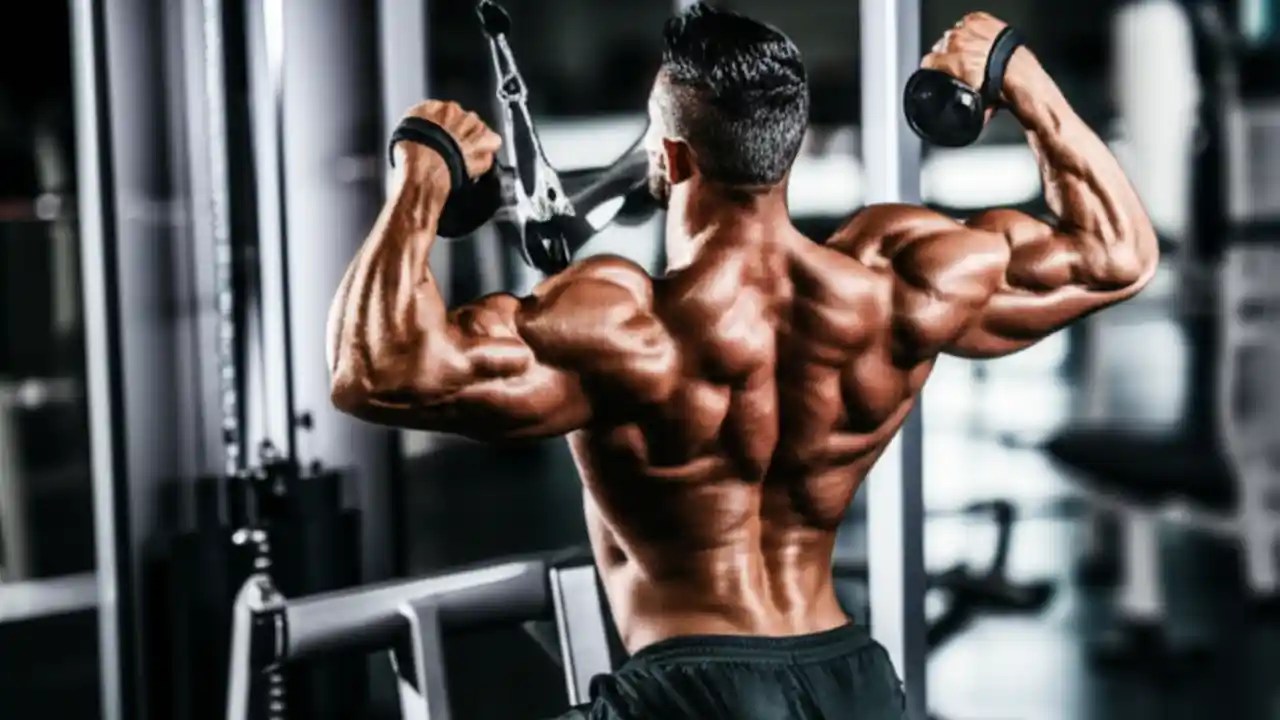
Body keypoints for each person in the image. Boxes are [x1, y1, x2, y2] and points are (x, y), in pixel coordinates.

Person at [327, 4, 1157, 718]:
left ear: (674, 158)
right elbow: (1118, 253)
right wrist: (1018, 74)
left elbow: (375, 367)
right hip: (852, 679)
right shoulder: (893, 281)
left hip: (688, 690)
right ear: (784, 149)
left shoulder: (626, 322)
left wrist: (423, 173)